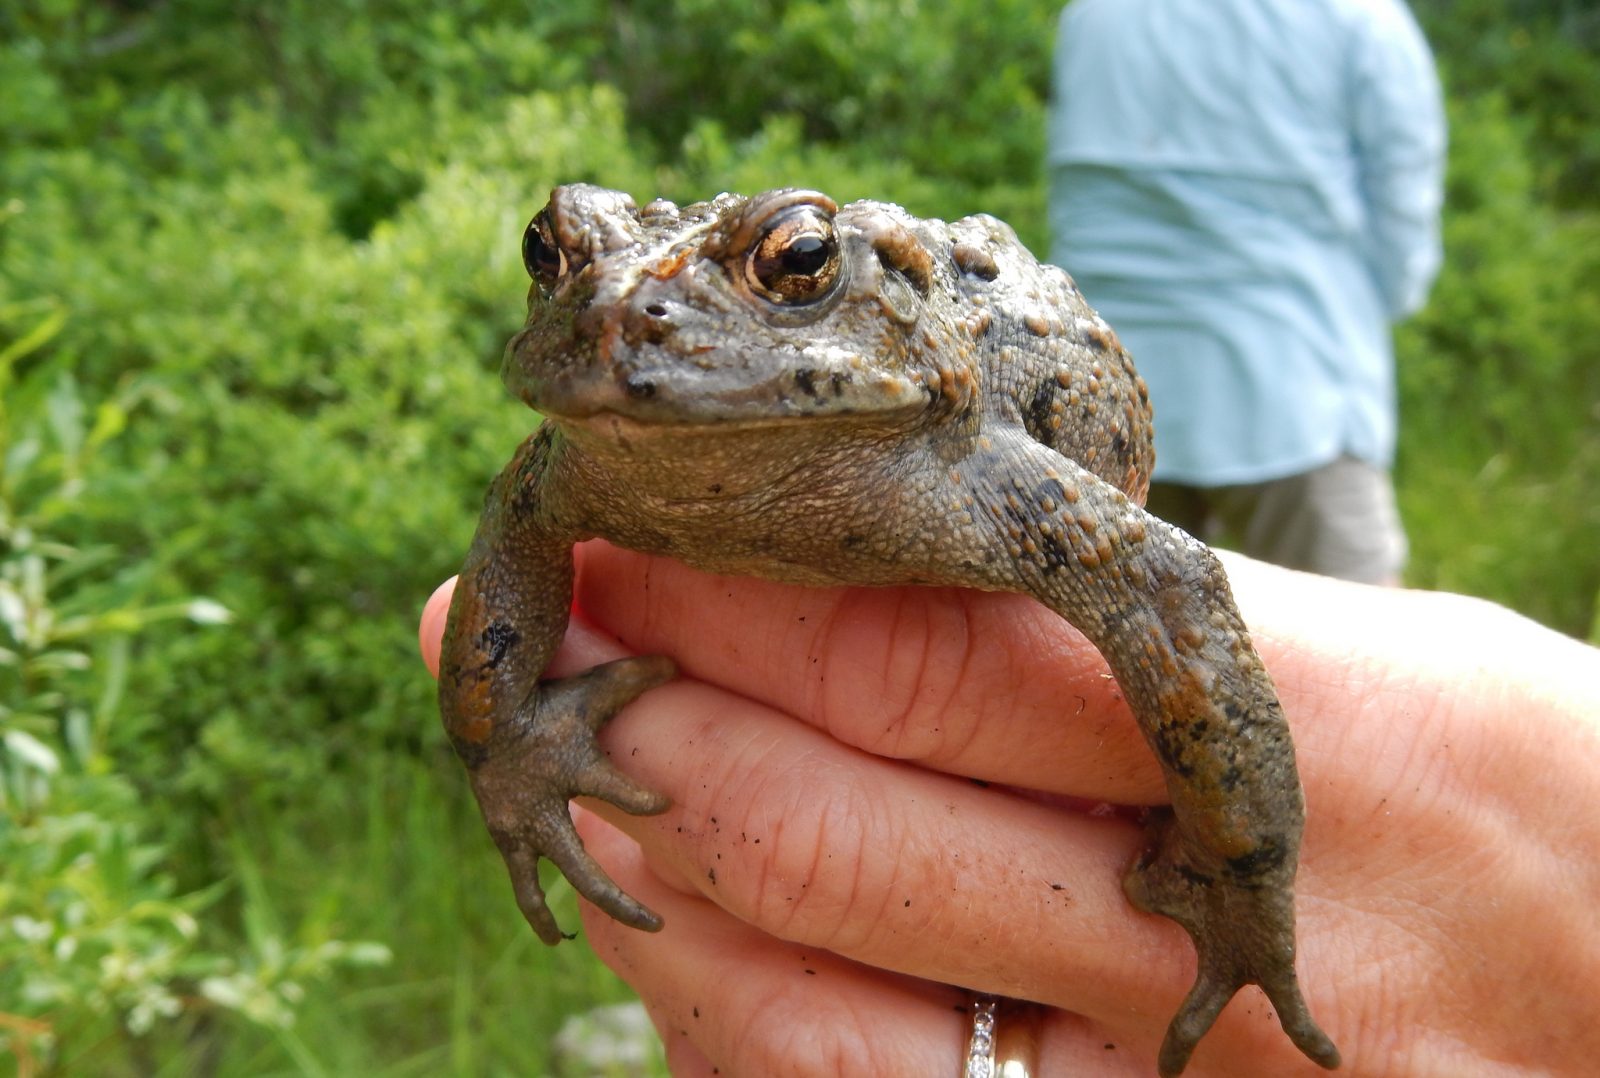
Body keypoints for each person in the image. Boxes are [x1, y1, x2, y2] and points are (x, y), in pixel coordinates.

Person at [420, 542, 1600, 1076]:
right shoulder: (587, 427)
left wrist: (1241, 875)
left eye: (785, 269)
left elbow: (1166, 581)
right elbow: (517, 533)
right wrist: (507, 746)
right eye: (554, 261)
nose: (629, 316)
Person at [1046, 0, 1447, 585]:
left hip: (1101, 399)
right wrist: (1375, 307)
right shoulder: (1358, 18)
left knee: (1090, 662)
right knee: (1356, 659)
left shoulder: (1094, 14)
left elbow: (1075, 195)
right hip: (1297, 389)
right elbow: (1404, 220)